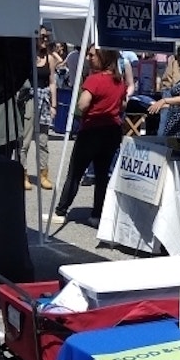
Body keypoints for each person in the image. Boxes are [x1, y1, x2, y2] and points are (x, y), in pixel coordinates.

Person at [49, 47, 126, 226]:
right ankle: (97, 214)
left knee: (75, 172)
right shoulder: (118, 81)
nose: (88, 58)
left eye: (92, 55)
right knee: (102, 174)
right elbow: (122, 105)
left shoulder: (94, 80)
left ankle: (61, 210)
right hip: (112, 131)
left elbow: (82, 104)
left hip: (92, 130)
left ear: (103, 57)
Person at [20, 26, 59, 190]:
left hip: (43, 100)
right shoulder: (27, 57)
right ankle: (23, 174)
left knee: (43, 141)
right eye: (42, 37)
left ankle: (43, 175)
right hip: (29, 100)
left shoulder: (49, 58)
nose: (45, 40)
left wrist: (54, 105)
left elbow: (52, 82)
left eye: (46, 37)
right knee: (25, 142)